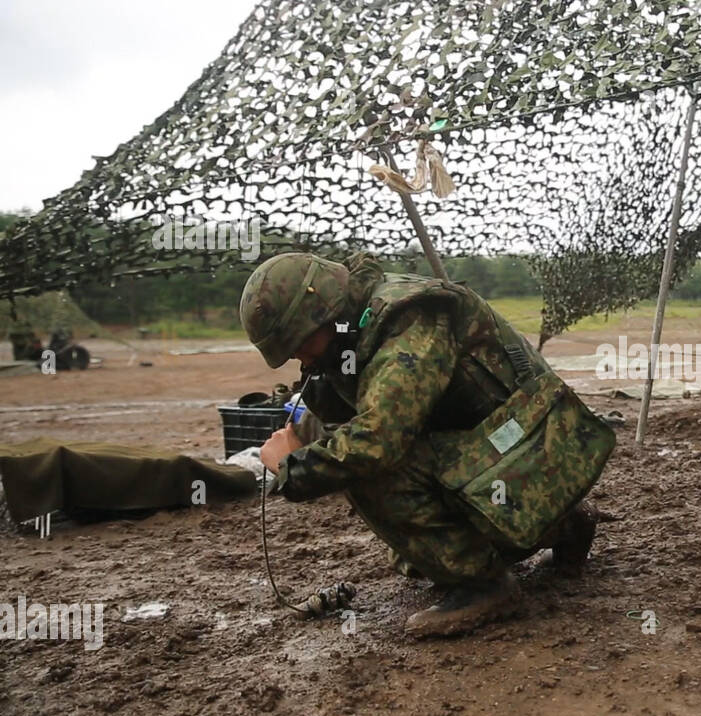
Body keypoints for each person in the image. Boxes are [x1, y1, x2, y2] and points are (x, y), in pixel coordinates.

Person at [240, 251, 615, 637]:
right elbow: (367, 404)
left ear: (324, 311)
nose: (301, 357)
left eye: (300, 343)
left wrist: (291, 467)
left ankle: (485, 587)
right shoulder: (357, 322)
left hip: (538, 450)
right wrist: (308, 427)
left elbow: (377, 442)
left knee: (372, 472)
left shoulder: (407, 322)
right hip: (522, 446)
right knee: (415, 561)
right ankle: (563, 525)